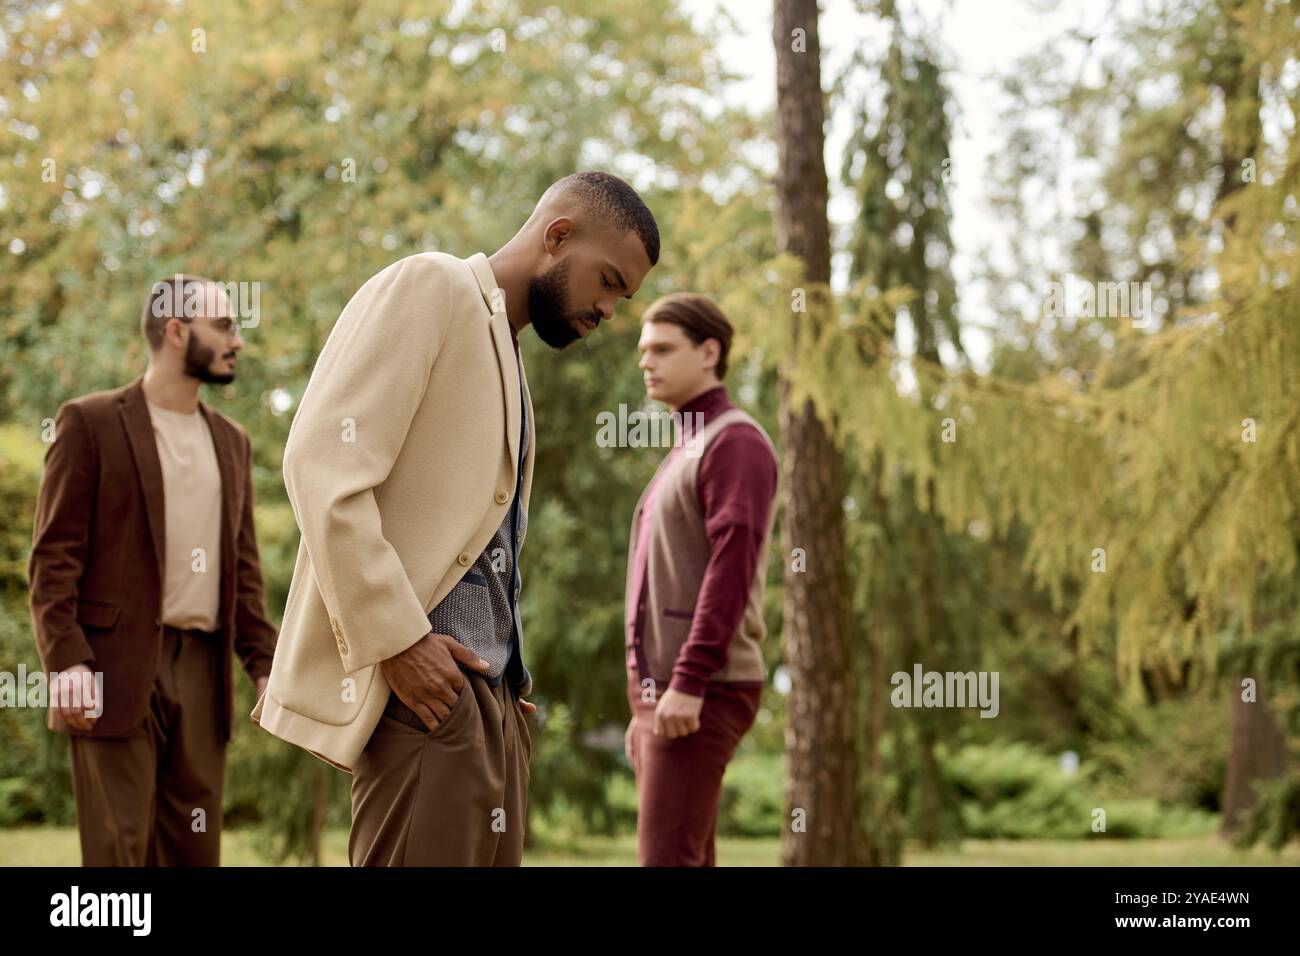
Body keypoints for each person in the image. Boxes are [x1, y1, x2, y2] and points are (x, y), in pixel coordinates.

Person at [254, 171, 659, 866]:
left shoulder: (504, 349)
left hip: (489, 709)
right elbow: (321, 461)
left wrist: (504, 688)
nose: (612, 309)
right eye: (610, 281)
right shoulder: (432, 286)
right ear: (557, 235)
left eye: (623, 295)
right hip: (425, 699)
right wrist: (399, 641)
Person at [29, 274, 278, 866]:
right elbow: (53, 556)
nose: (237, 341)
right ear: (175, 331)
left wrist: (266, 667)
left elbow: (242, 572)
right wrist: (65, 658)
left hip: (203, 673)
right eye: (223, 326)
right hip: (111, 670)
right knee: (117, 855)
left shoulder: (233, 443)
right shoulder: (88, 423)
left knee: (193, 852)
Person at [624, 293, 780, 866]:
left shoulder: (734, 442)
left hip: (701, 688)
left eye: (663, 349)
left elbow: (731, 566)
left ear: (710, 351)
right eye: (644, 351)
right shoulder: (687, 444)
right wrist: (643, 700)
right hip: (666, 693)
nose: (647, 362)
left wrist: (687, 680)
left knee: (667, 860)